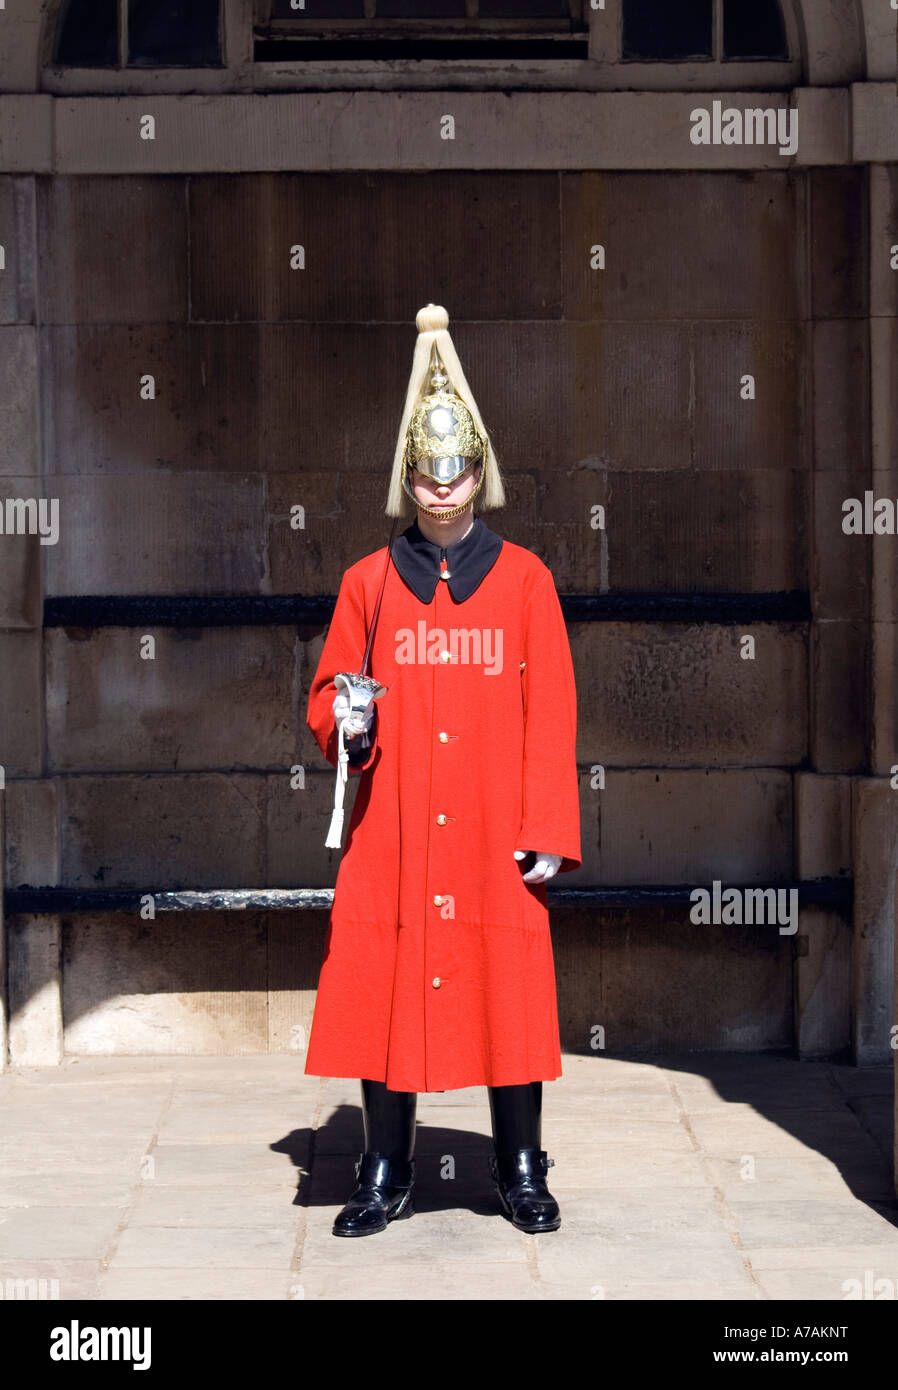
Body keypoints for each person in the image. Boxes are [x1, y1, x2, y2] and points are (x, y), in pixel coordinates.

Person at [304, 303, 581, 1237]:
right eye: (429, 472)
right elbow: (330, 697)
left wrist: (548, 825)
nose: (444, 490)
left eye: (458, 471)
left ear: (480, 470)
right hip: (396, 829)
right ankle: (384, 1167)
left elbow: (553, 715)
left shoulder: (528, 581)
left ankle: (521, 1166)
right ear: (408, 475)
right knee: (384, 983)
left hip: (494, 828)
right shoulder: (368, 585)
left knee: (508, 986)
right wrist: (347, 717)